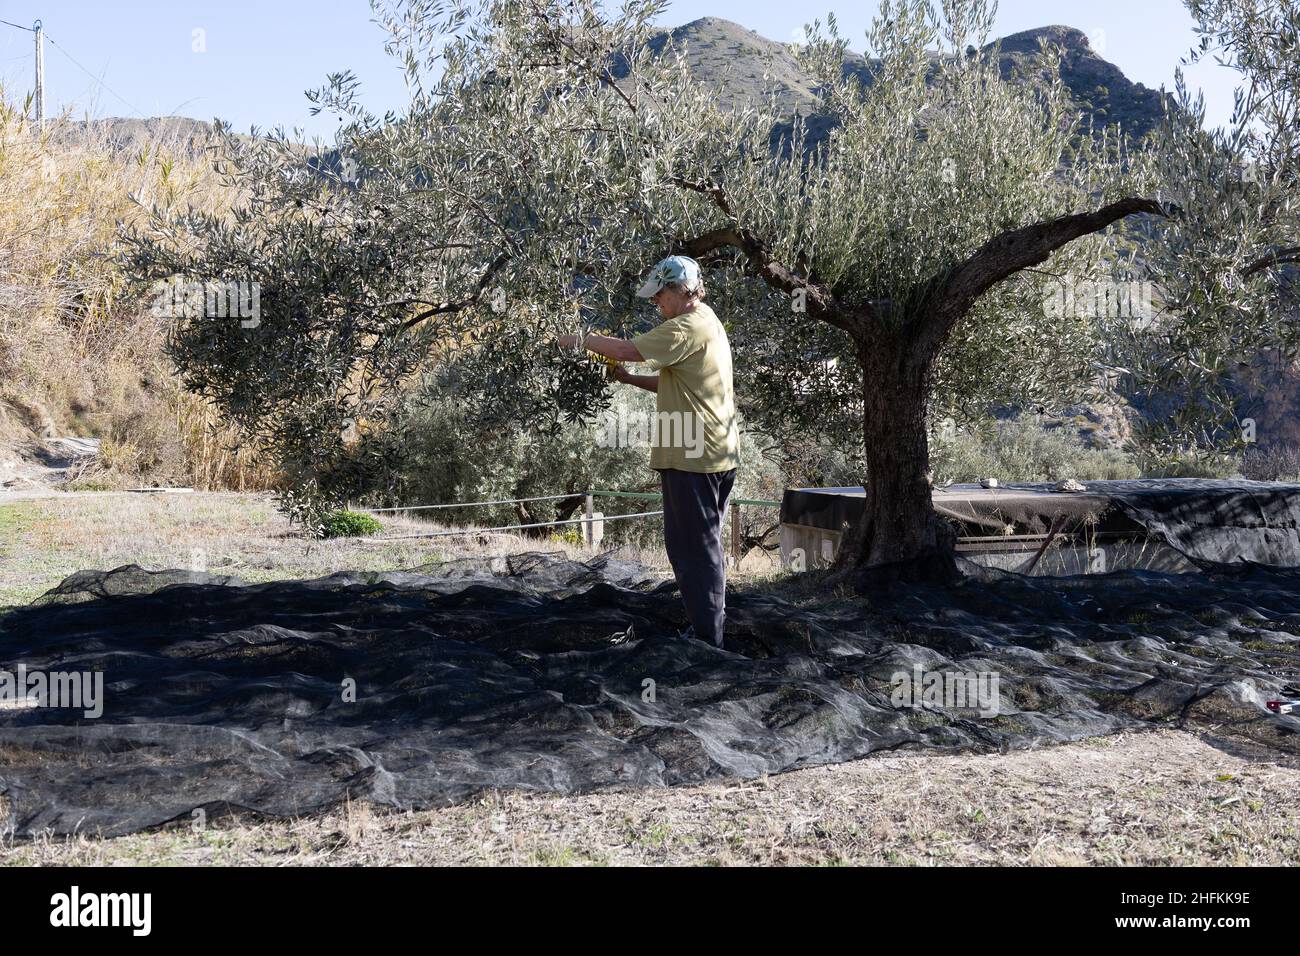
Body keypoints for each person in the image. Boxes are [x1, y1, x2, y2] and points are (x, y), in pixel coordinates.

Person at [557, 255, 739, 646]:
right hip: (714, 453)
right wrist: (629, 380)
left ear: (678, 290)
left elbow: (626, 348)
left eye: (659, 295)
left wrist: (578, 338)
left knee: (694, 552)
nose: (656, 303)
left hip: (694, 456)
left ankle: (709, 642)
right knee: (703, 545)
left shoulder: (685, 327)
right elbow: (676, 383)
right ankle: (709, 628)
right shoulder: (707, 321)